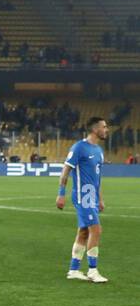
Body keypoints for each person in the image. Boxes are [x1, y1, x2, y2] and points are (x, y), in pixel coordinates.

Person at [57, 117, 110, 283]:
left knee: (84, 232)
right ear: (95, 129)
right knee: (96, 230)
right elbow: (65, 171)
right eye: (104, 127)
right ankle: (93, 271)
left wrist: (100, 199)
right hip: (83, 196)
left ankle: (73, 270)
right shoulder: (79, 147)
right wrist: (61, 193)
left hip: (92, 197)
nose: (106, 130)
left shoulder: (99, 151)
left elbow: (97, 179)